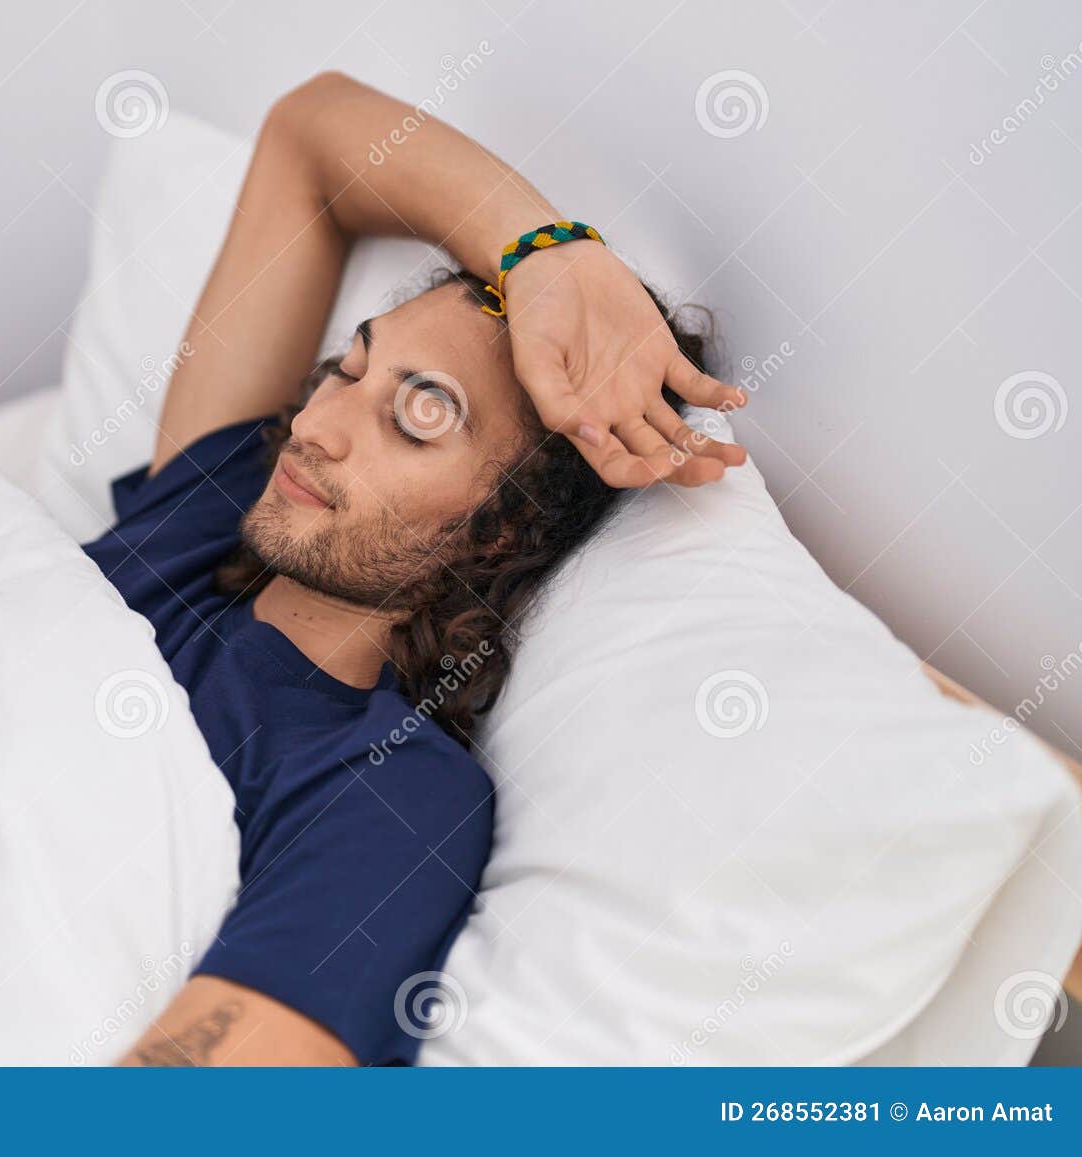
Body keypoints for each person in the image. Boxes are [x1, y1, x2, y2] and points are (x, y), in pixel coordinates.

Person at [82, 71, 748, 1066]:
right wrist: (543, 256)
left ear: (496, 531)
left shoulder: (384, 789)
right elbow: (310, 133)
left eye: (417, 413)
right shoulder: (209, 511)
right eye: (346, 369)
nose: (316, 426)